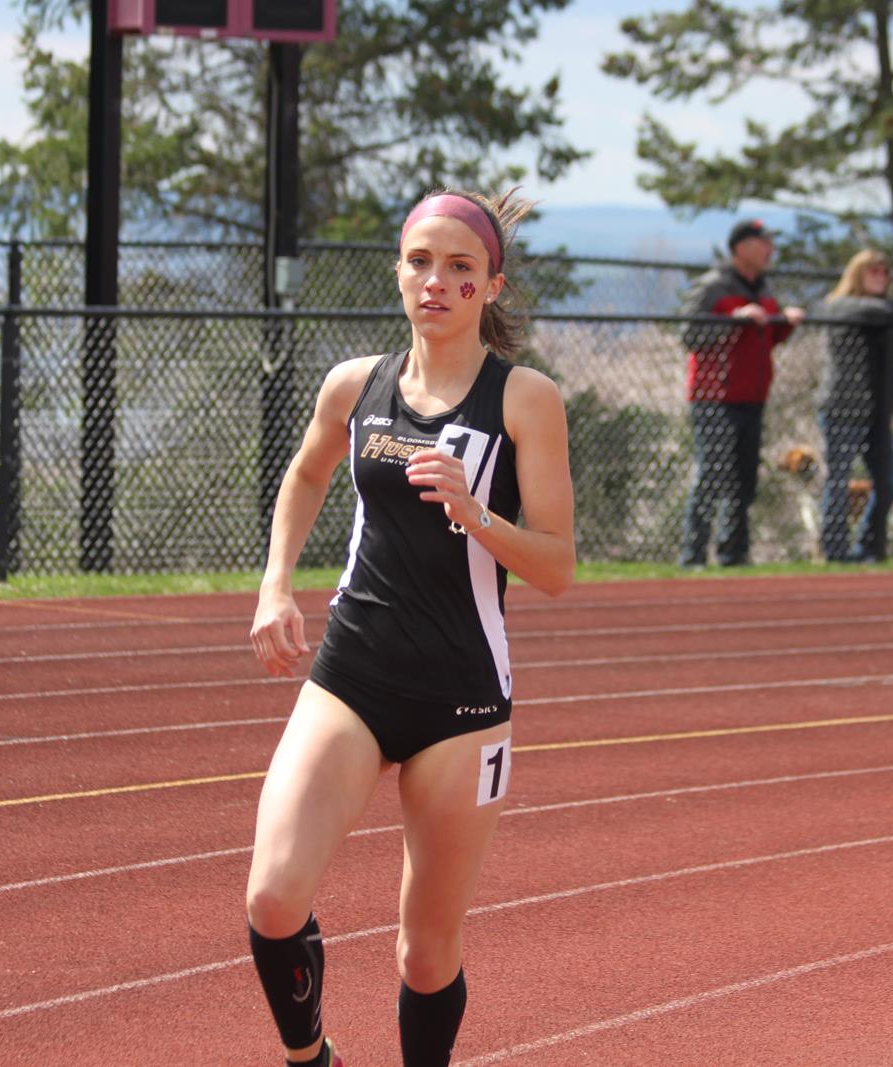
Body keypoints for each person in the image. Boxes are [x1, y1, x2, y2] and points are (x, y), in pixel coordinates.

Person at [244, 189, 575, 1067]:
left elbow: (557, 566)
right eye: (420, 261)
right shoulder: (356, 385)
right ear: (399, 272)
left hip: (463, 699)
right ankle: (311, 1058)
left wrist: (475, 513)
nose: (436, 281)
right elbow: (307, 474)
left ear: (491, 287)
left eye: (460, 267)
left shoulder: (524, 401)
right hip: (353, 673)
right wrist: (276, 583)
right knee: (274, 897)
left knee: (425, 950)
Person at [677, 218, 805, 567]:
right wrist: (735, 317)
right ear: (741, 247)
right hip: (715, 398)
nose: (770, 250)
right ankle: (693, 556)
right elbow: (690, 334)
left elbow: (765, 340)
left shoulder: (763, 289)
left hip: (753, 396)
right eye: (763, 242)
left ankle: (734, 553)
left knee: (744, 480)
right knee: (712, 474)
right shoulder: (715, 286)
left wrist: (784, 324)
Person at [815, 248, 893, 562]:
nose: (880, 278)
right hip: (843, 406)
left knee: (886, 483)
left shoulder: (885, 308)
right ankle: (835, 551)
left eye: (885, 273)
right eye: (873, 272)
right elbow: (873, 314)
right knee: (837, 480)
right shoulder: (839, 306)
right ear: (857, 274)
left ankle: (869, 547)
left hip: (878, 411)